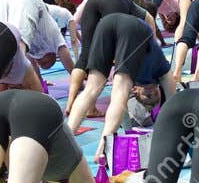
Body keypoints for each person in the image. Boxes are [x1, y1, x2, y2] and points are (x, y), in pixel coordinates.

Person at [65, 12, 176, 160]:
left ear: (135, 90)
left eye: (147, 96)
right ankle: (100, 146)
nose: (151, 91)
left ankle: (66, 142)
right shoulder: (162, 71)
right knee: (116, 94)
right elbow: (173, 103)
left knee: (91, 90)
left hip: (105, 24)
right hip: (133, 27)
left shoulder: (132, 82)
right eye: (155, 94)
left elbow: (121, 110)